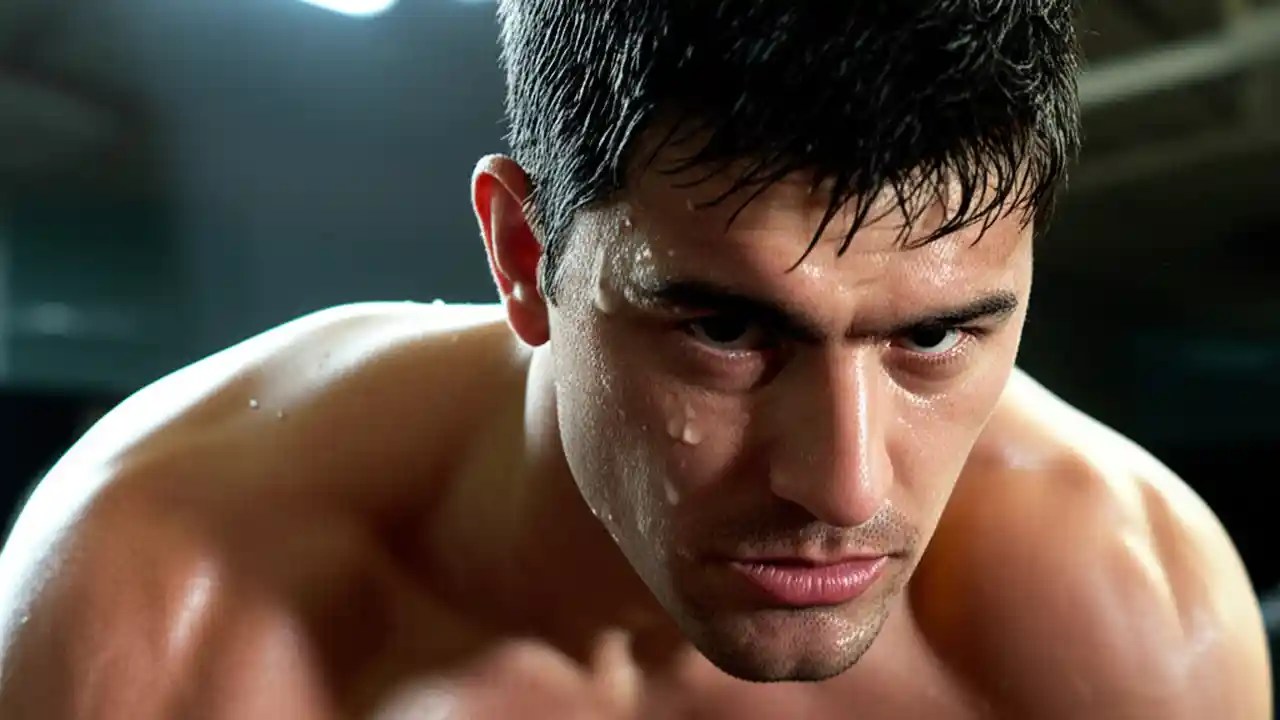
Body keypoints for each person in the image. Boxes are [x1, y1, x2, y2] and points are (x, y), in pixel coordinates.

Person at [0, 1, 1272, 717]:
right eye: (723, 329)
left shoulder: (1124, 628)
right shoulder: (157, 607)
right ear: (520, 253)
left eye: (932, 334)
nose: (841, 488)